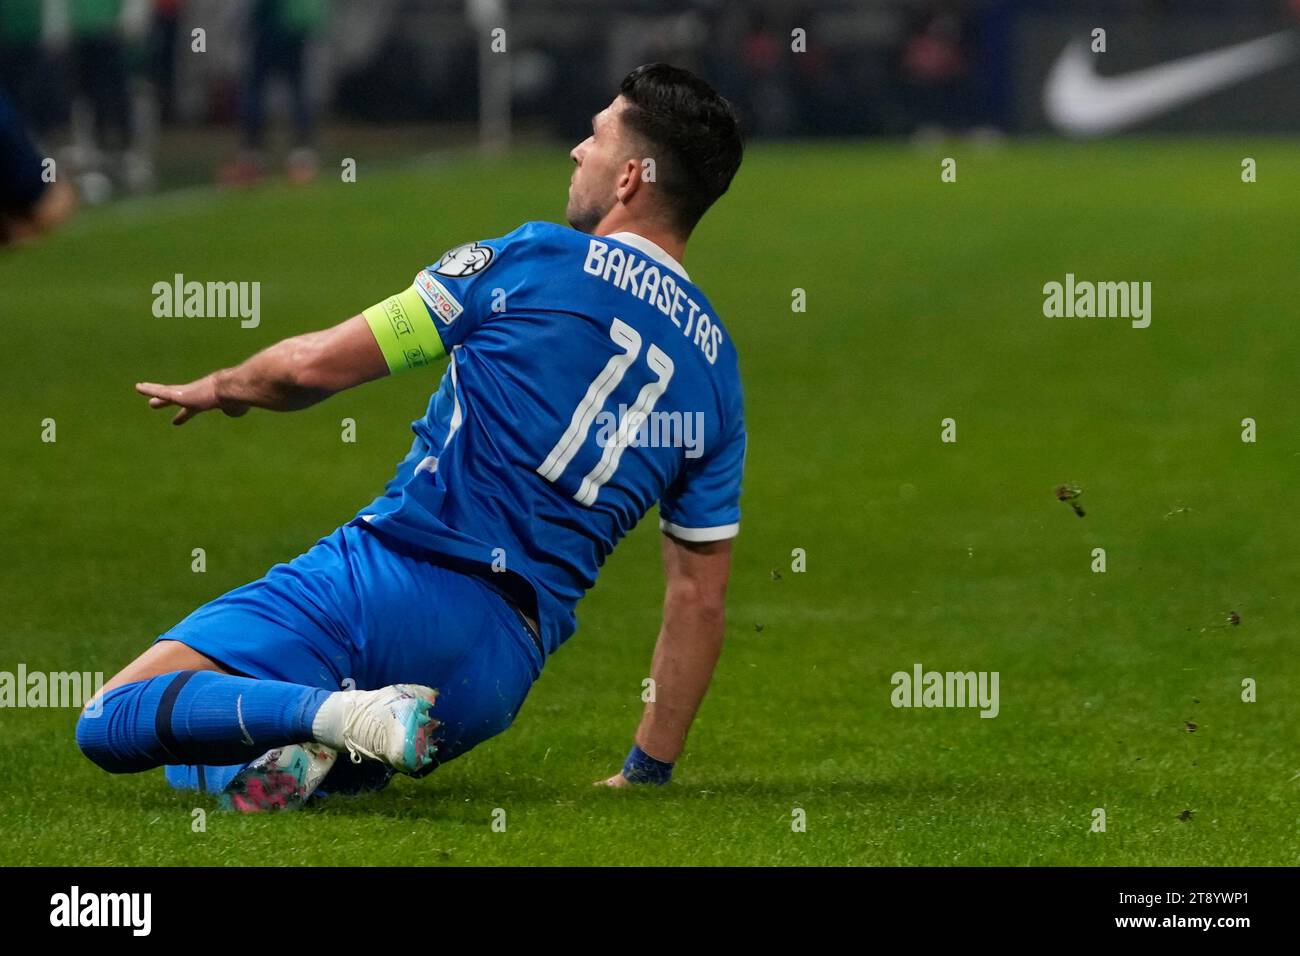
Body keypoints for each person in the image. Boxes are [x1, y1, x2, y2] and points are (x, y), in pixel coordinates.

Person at [76, 63, 746, 812]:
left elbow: (312, 369)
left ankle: (340, 715)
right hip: (495, 671)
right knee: (221, 763)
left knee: (112, 718)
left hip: (385, 580)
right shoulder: (717, 372)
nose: (575, 153)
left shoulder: (531, 261)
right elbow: (698, 601)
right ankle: (338, 735)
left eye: (592, 136)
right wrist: (645, 773)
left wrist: (226, 386)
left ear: (630, 178)